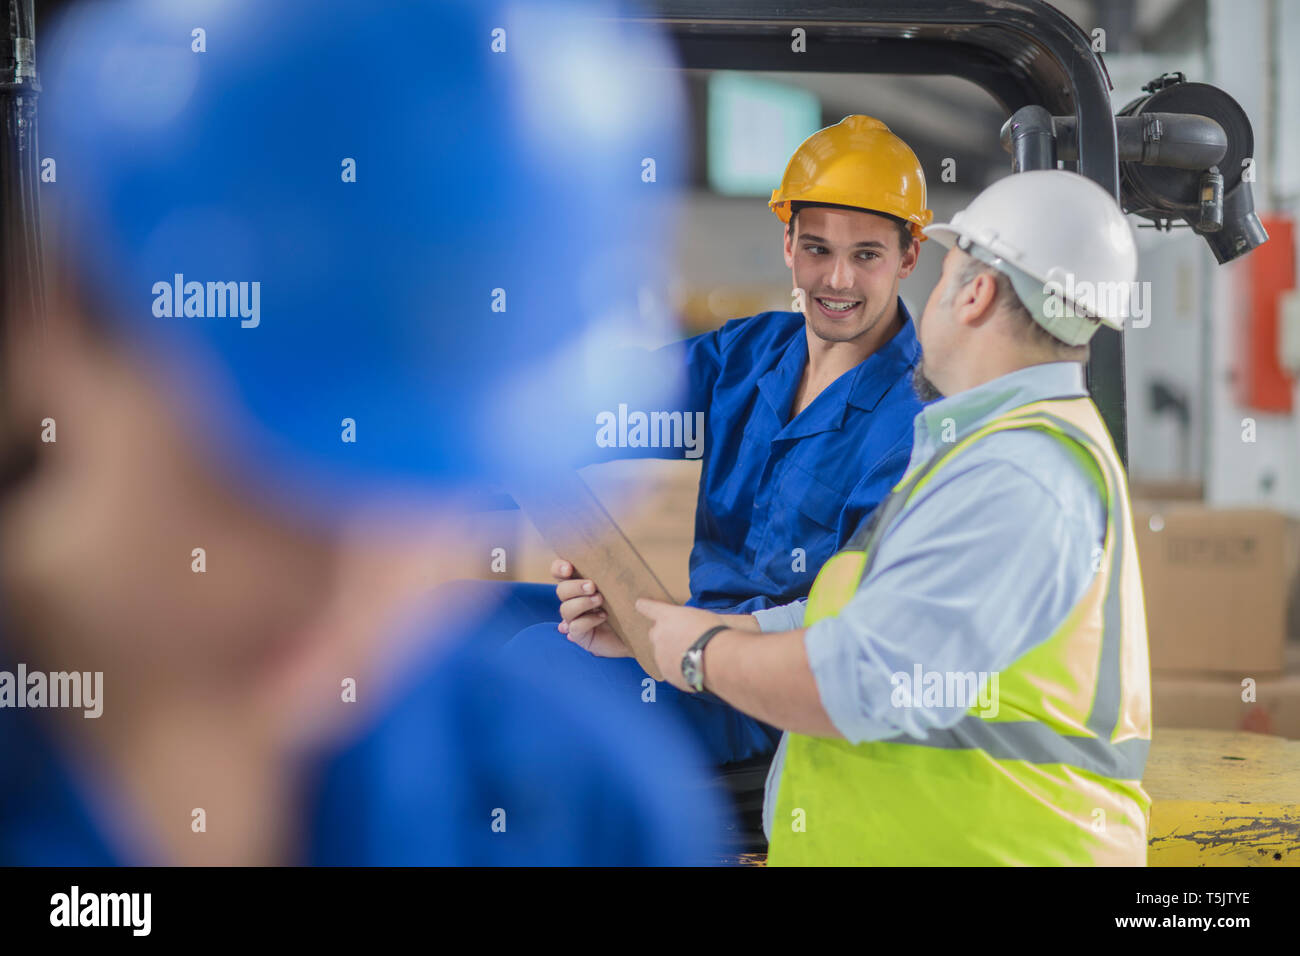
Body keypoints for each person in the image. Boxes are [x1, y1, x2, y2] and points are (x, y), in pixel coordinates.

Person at [0, 0, 729, 865]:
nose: (341, 580)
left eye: (424, 478)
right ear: (60, 325)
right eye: (266, 474)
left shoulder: (580, 805)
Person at [633, 169, 1154, 865]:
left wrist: (700, 657)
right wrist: (689, 626)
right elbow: (857, 621)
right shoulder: (984, 450)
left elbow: (861, 681)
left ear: (975, 293)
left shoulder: (1016, 476)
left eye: (941, 276)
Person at [470, 114, 932, 770]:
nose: (836, 280)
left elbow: (845, 632)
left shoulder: (912, 423)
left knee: (537, 668)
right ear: (789, 244)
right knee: (468, 619)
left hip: (761, 693)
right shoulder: (752, 354)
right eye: (818, 249)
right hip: (688, 633)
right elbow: (613, 409)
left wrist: (669, 642)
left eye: (866, 255)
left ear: (908, 256)